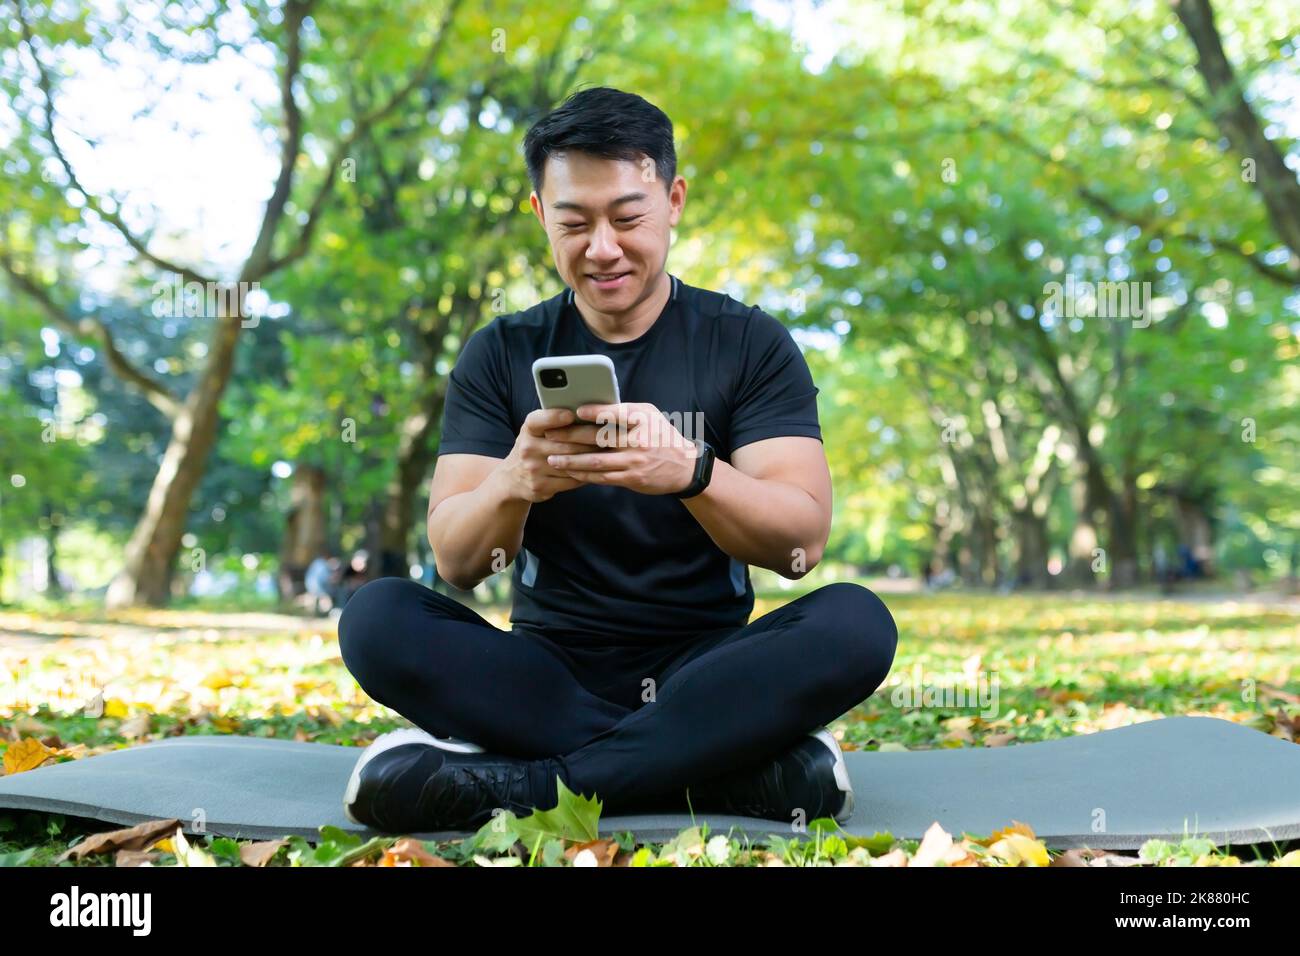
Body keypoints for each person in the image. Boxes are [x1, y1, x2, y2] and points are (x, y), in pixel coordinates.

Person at [338, 87, 898, 834]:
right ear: (541, 216)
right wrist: (514, 483)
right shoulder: (499, 353)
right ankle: (724, 771)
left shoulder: (750, 344)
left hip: (710, 672)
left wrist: (694, 473)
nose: (602, 247)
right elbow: (459, 562)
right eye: (574, 222)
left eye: (628, 217)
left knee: (858, 624)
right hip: (547, 676)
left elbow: (800, 546)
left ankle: (530, 787)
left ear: (673, 201)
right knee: (375, 618)